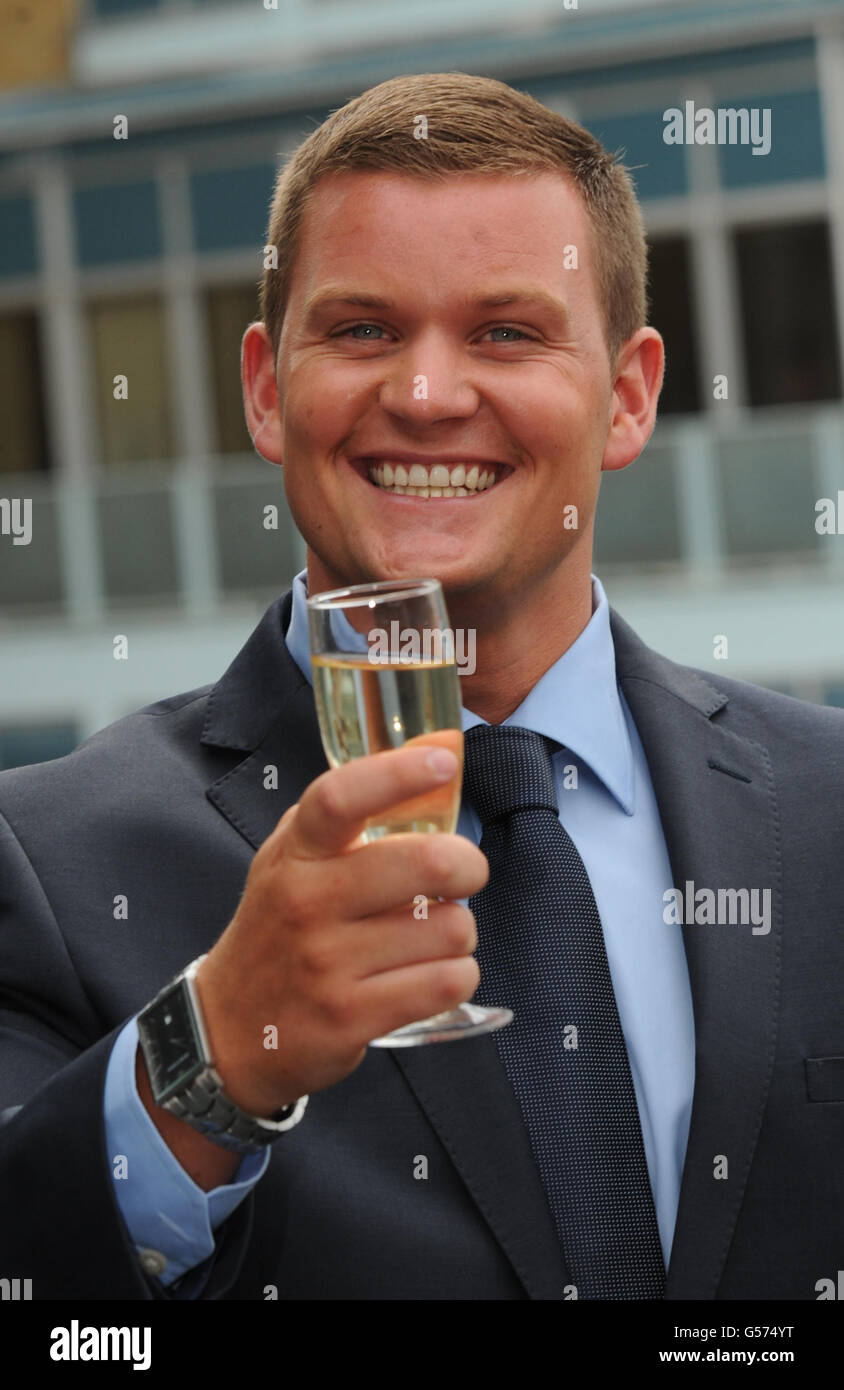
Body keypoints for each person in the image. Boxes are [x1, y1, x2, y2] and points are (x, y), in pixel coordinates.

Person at [1, 72, 841, 1302]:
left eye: (505, 331)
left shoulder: (827, 808)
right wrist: (214, 1056)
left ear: (627, 394)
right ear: (265, 389)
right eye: (361, 331)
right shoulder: (46, 859)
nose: (427, 395)